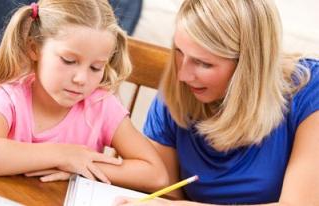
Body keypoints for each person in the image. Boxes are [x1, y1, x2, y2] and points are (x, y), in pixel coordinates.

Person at [116, 0, 319, 205]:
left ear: (248, 66)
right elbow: (165, 194)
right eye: (179, 51)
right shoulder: (176, 94)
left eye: (204, 63)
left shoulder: (311, 90)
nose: (183, 76)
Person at [0, 0, 169, 193]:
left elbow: (156, 174)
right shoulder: (10, 98)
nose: (81, 79)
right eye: (68, 60)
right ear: (34, 48)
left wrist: (80, 167)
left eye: (96, 67)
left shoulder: (100, 105)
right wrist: (64, 155)